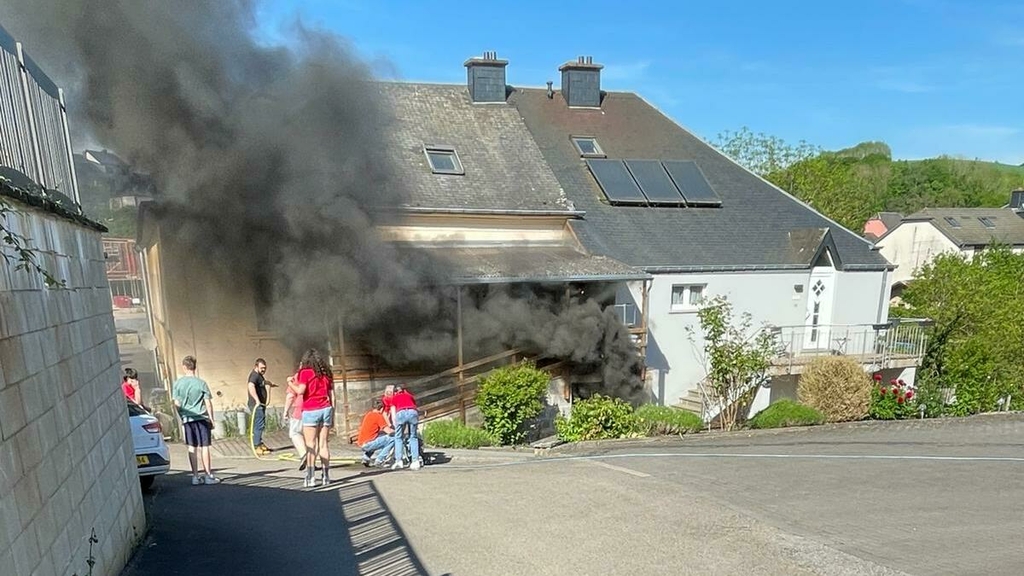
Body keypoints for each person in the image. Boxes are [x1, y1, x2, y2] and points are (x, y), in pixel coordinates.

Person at [288, 349, 334, 487]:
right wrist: (332, 410)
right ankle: (326, 476)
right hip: (326, 408)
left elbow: (301, 391)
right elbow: (332, 394)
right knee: (324, 444)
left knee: (310, 445)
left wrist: (290, 382)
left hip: (311, 410)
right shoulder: (326, 373)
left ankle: (311, 477)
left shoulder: (305, 372)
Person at [172, 356, 220, 485]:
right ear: (195, 367)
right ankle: (208, 475)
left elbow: (176, 403)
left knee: (192, 447)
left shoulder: (178, 383)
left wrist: (182, 415)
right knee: (205, 447)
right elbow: (208, 403)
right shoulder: (201, 383)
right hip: (202, 418)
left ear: (184, 367)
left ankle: (194, 476)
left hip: (188, 419)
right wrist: (211, 419)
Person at [383, 383, 421, 471]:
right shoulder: (409, 396)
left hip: (401, 413)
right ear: (404, 390)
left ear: (395, 392)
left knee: (398, 438)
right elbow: (414, 406)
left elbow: (393, 411)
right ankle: (415, 461)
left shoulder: (395, 397)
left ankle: (399, 461)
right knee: (413, 437)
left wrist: (394, 423)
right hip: (412, 412)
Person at [282, 370, 308, 471]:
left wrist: (286, 411)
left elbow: (291, 396)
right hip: (317, 409)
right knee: (312, 437)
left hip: (300, 411)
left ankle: (304, 454)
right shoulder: (319, 374)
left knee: (295, 432)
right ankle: (312, 461)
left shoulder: (298, 376)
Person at [247, 358, 273, 455]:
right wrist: (257, 401)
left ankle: (259, 442)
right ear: (256, 366)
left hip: (260, 404)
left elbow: (260, 384)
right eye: (262, 368)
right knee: (259, 425)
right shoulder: (254, 376)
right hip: (256, 405)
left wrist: (269, 384)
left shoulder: (259, 376)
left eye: (265, 368)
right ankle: (257, 445)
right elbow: (251, 386)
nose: (263, 370)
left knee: (260, 424)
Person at [357, 399, 394, 467]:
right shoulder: (378, 416)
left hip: (362, 443)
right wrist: (396, 431)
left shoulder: (369, 414)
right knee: (392, 439)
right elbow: (388, 431)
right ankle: (380, 460)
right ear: (382, 408)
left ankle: (366, 458)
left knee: (377, 437)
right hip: (368, 444)